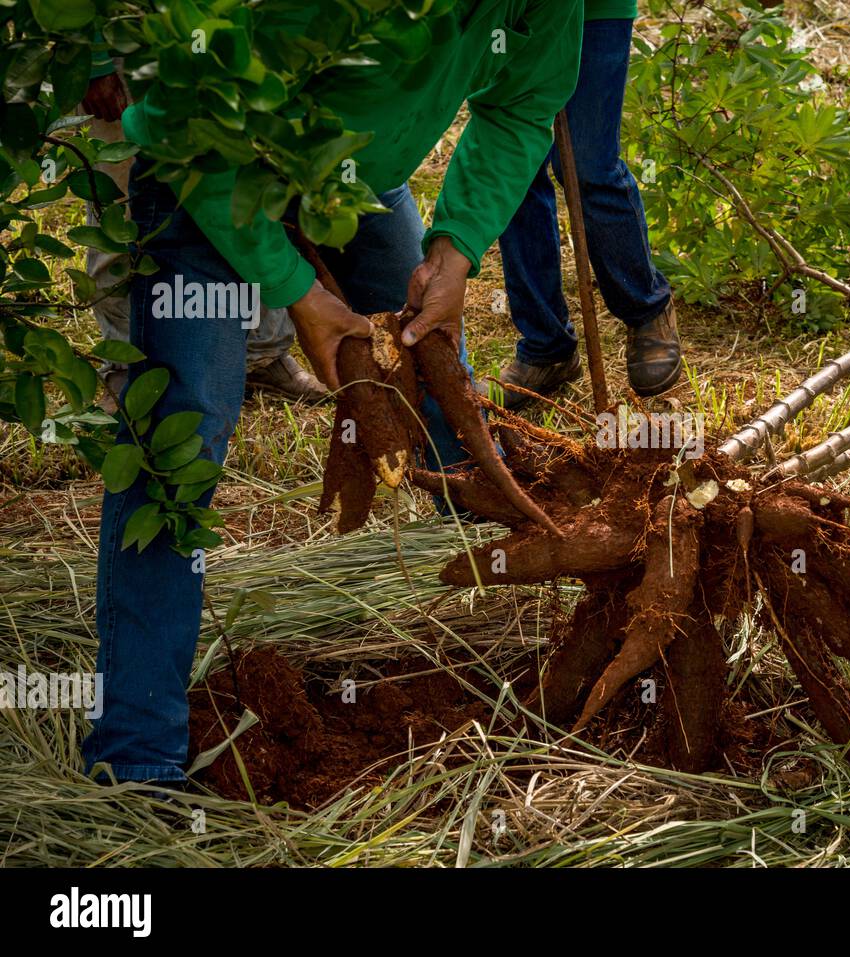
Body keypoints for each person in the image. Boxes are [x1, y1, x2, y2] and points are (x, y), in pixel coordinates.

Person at [81, 1, 583, 788]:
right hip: (203, 166)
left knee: (439, 379)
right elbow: (184, 123)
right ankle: (137, 751)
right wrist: (299, 296)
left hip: (351, 182)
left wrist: (456, 249)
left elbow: (522, 106)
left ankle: (535, 604)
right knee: (180, 434)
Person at [79, 68, 326, 409]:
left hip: (227, 59)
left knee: (254, 190)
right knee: (124, 208)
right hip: (129, 54)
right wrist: (97, 62)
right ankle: (127, 366)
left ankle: (263, 355)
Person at [494, 1, 681, 408]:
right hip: (507, 14)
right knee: (513, 170)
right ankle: (547, 348)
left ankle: (645, 309)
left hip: (595, 9)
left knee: (587, 164)